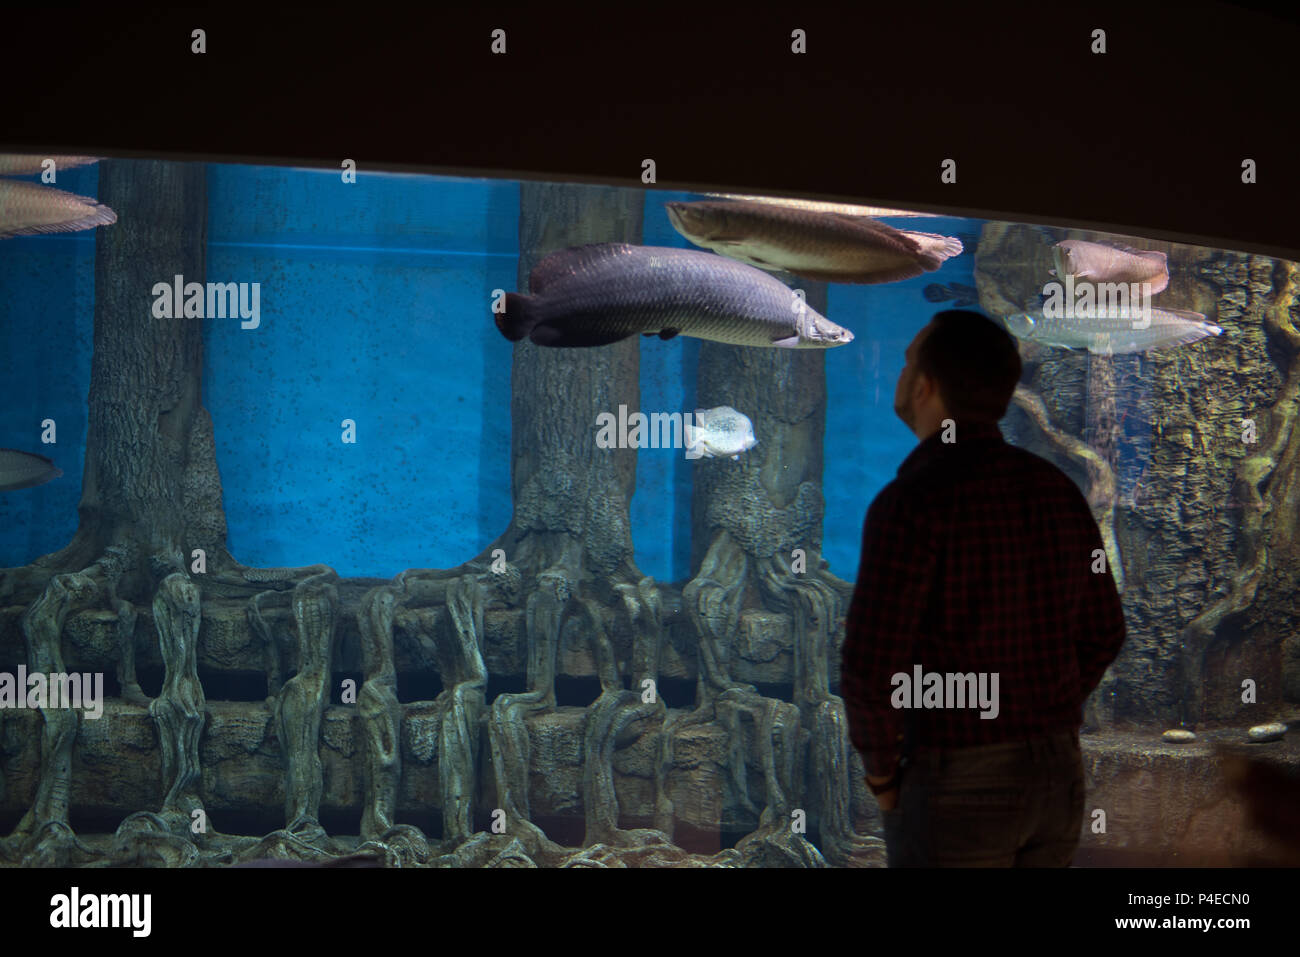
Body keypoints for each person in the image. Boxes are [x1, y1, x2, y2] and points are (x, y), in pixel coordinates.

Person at [841, 310, 1126, 867]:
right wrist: (1048, 712)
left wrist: (881, 775)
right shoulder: (1059, 494)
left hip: (955, 780)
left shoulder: (910, 503)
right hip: (1057, 775)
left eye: (906, 365)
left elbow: (871, 669)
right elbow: (1105, 632)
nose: (901, 378)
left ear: (925, 386)